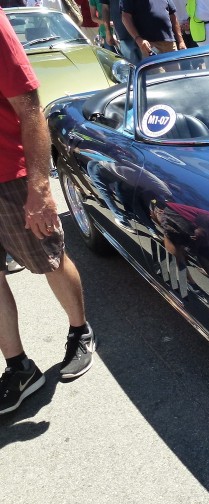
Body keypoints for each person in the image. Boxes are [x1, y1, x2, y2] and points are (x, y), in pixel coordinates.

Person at [0, 8, 95, 417]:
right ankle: (19, 368)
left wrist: (40, 187)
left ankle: (79, 331)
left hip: (10, 175)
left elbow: (30, 108)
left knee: (50, 259)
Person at [120, 0, 186, 59]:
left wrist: (181, 41)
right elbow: (125, 17)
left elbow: (173, 17)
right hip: (149, 45)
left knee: (175, 69)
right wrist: (138, 39)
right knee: (156, 69)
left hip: (170, 43)